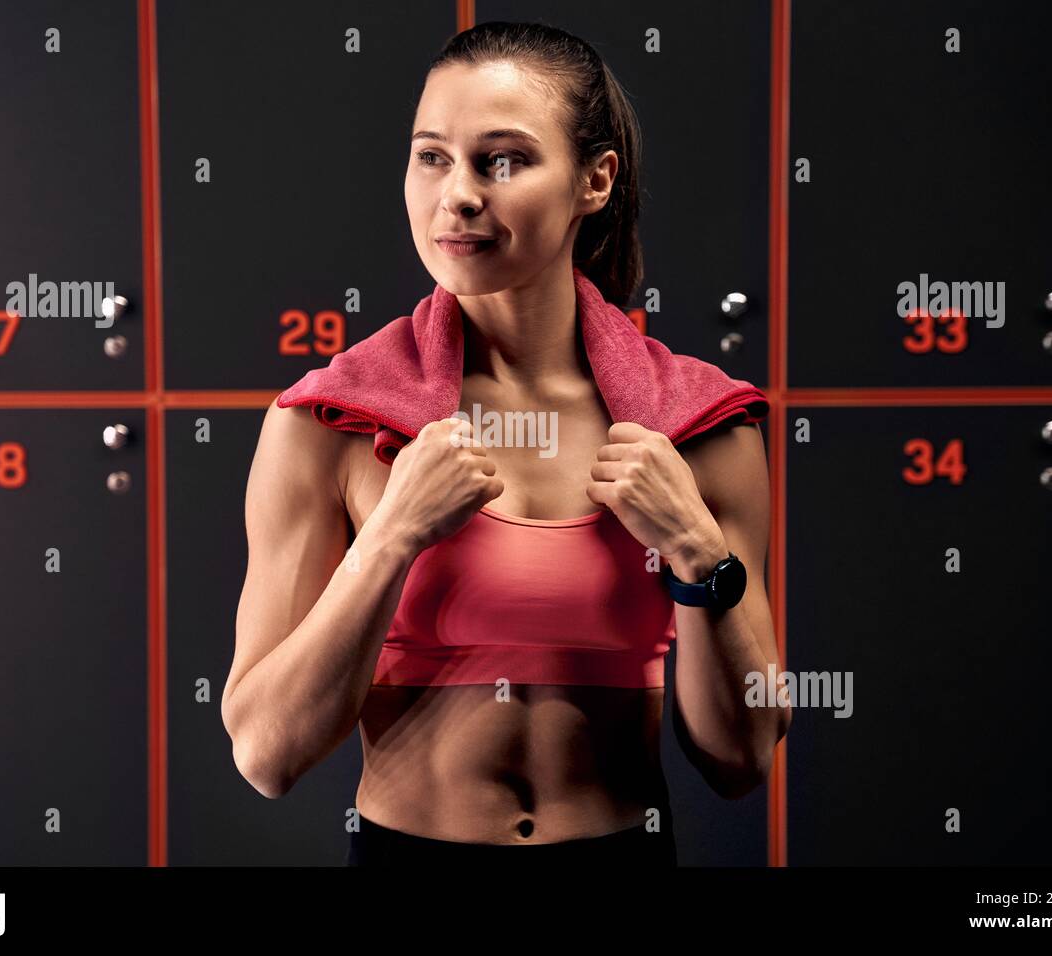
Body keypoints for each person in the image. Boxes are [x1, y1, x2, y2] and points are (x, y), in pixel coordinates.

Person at [221, 21, 790, 866]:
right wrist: (390, 537)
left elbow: (740, 757)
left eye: (503, 160)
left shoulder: (701, 427)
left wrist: (697, 552)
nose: (457, 195)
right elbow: (267, 753)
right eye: (432, 157)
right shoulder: (330, 424)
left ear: (595, 181)